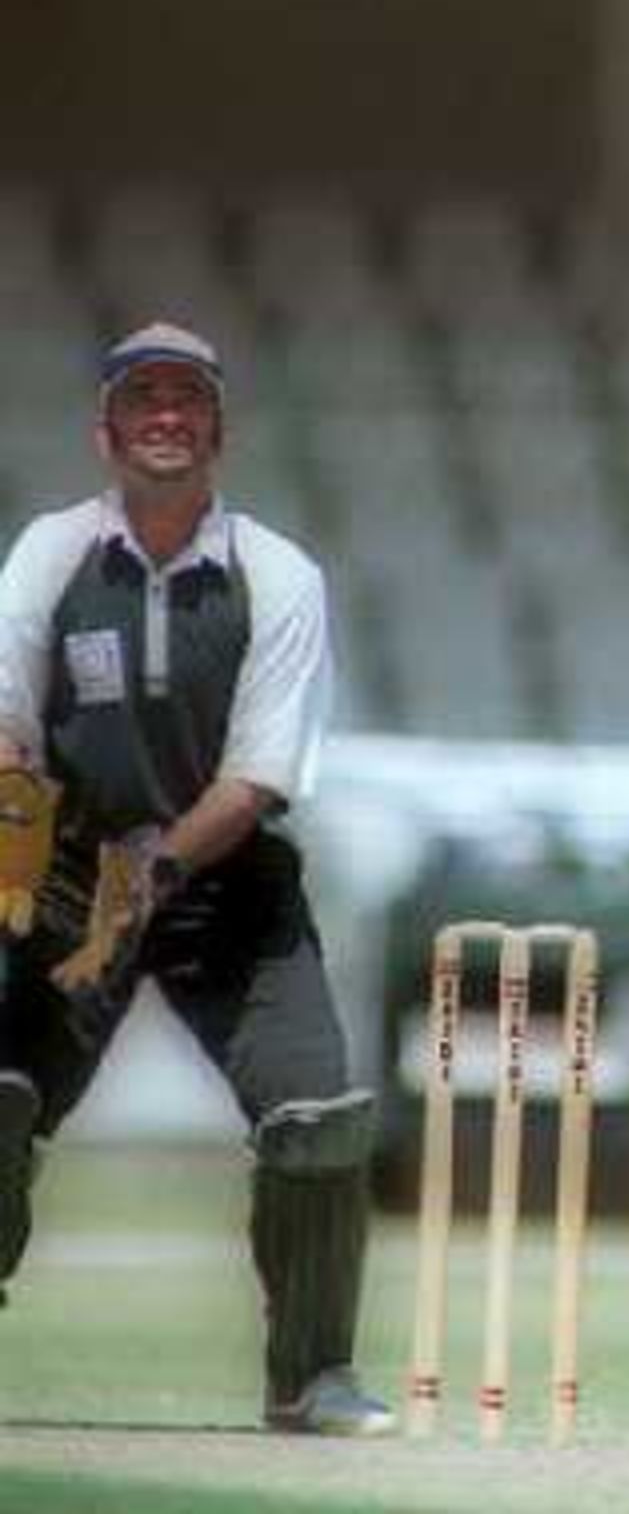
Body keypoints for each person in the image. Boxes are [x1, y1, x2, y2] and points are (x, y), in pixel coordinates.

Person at [0, 321, 396, 1436]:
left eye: (185, 399)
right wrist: (20, 822)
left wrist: (157, 863)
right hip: (73, 878)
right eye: (142, 400)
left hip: (224, 882)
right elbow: (7, 725)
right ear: (106, 429)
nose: (164, 416)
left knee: (315, 1115)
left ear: (217, 426)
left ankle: (311, 1375)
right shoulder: (50, 552)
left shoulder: (277, 573)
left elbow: (261, 775)